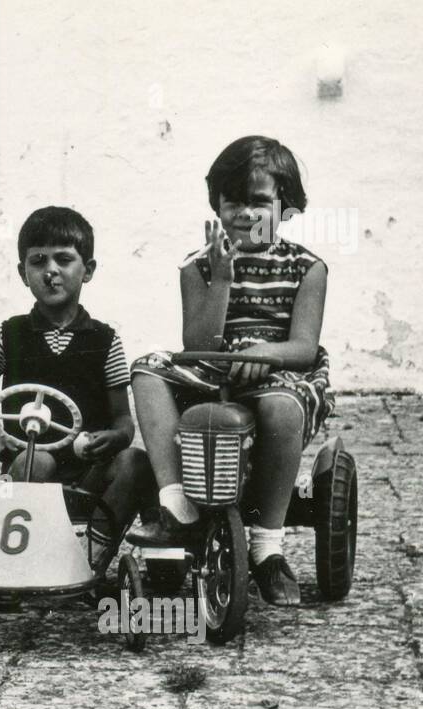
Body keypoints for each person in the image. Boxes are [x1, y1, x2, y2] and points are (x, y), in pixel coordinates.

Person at [130, 135, 333, 606]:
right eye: (233, 202)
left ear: (285, 208)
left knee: (283, 411)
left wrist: (263, 352)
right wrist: (221, 277)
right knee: (146, 370)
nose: (245, 213)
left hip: (278, 371)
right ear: (216, 207)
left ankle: (267, 546)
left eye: (259, 201)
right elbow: (198, 344)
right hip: (212, 368)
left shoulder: (307, 268)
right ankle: (175, 500)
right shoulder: (197, 267)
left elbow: (304, 347)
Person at [0, 206, 156, 573]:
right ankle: (13, 564)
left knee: (135, 462)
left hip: (89, 473)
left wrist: (113, 437)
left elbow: (123, 421)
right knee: (37, 459)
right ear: (23, 273)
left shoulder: (105, 340)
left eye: (64, 259)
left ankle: (88, 562)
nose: (50, 271)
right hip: (29, 465)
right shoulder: (10, 334)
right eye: (38, 261)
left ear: (87, 270)